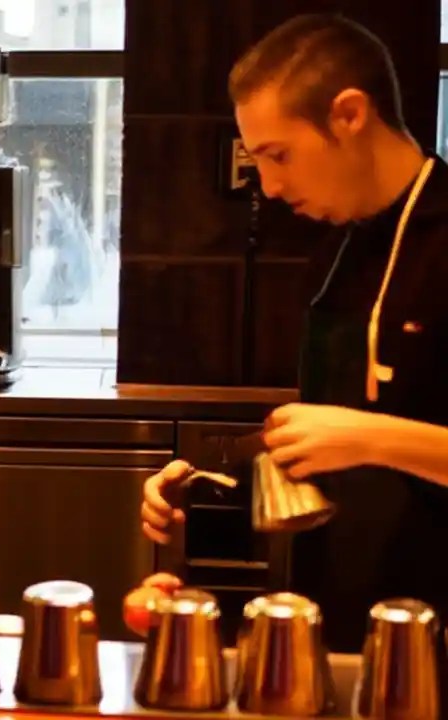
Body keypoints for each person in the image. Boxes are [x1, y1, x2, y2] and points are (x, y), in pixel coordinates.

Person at [138, 13, 448, 653]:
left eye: (279, 156)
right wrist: (203, 486)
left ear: (349, 114)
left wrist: (376, 437)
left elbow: (360, 432)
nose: (272, 188)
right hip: (339, 616)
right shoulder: (336, 251)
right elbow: (324, 448)